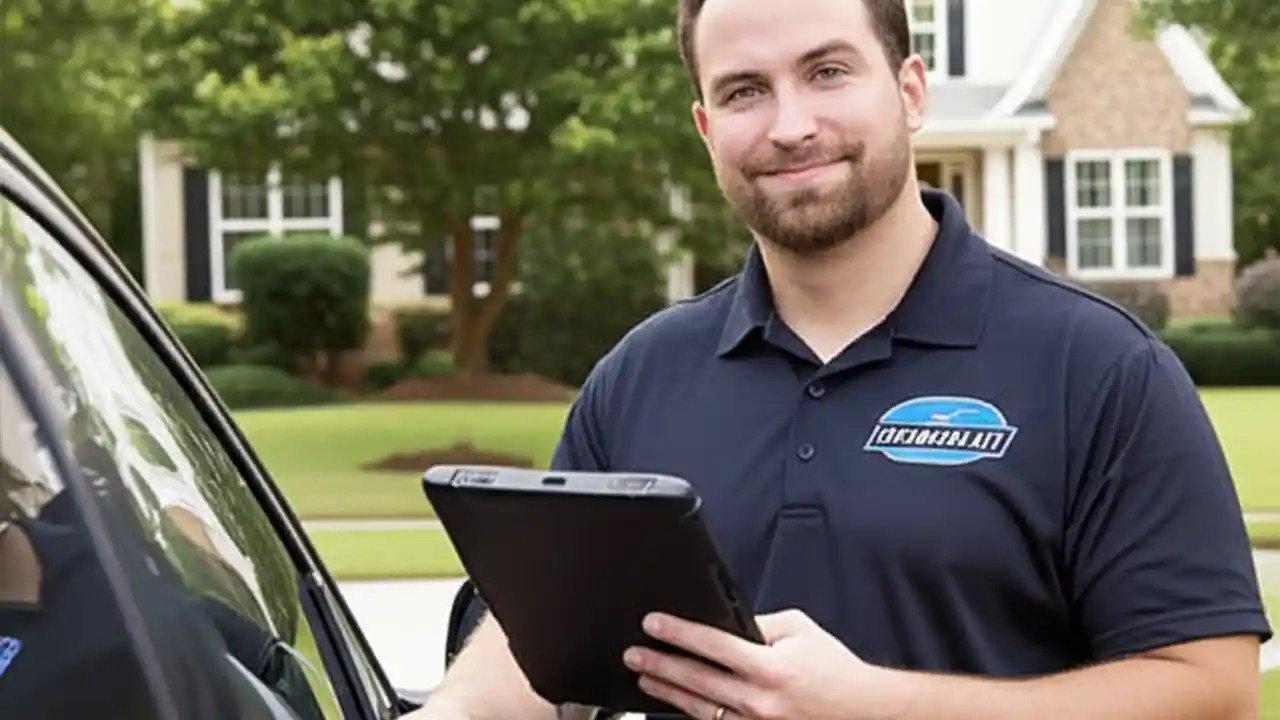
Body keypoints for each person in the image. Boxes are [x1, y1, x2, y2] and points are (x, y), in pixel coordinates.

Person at [413, 0, 1272, 717]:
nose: (792, 126)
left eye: (827, 72)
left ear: (910, 89)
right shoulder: (642, 377)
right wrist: (454, 711)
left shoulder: (1097, 370)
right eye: (746, 91)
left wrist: (873, 705)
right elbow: (537, 640)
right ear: (707, 130)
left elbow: (1213, 690)